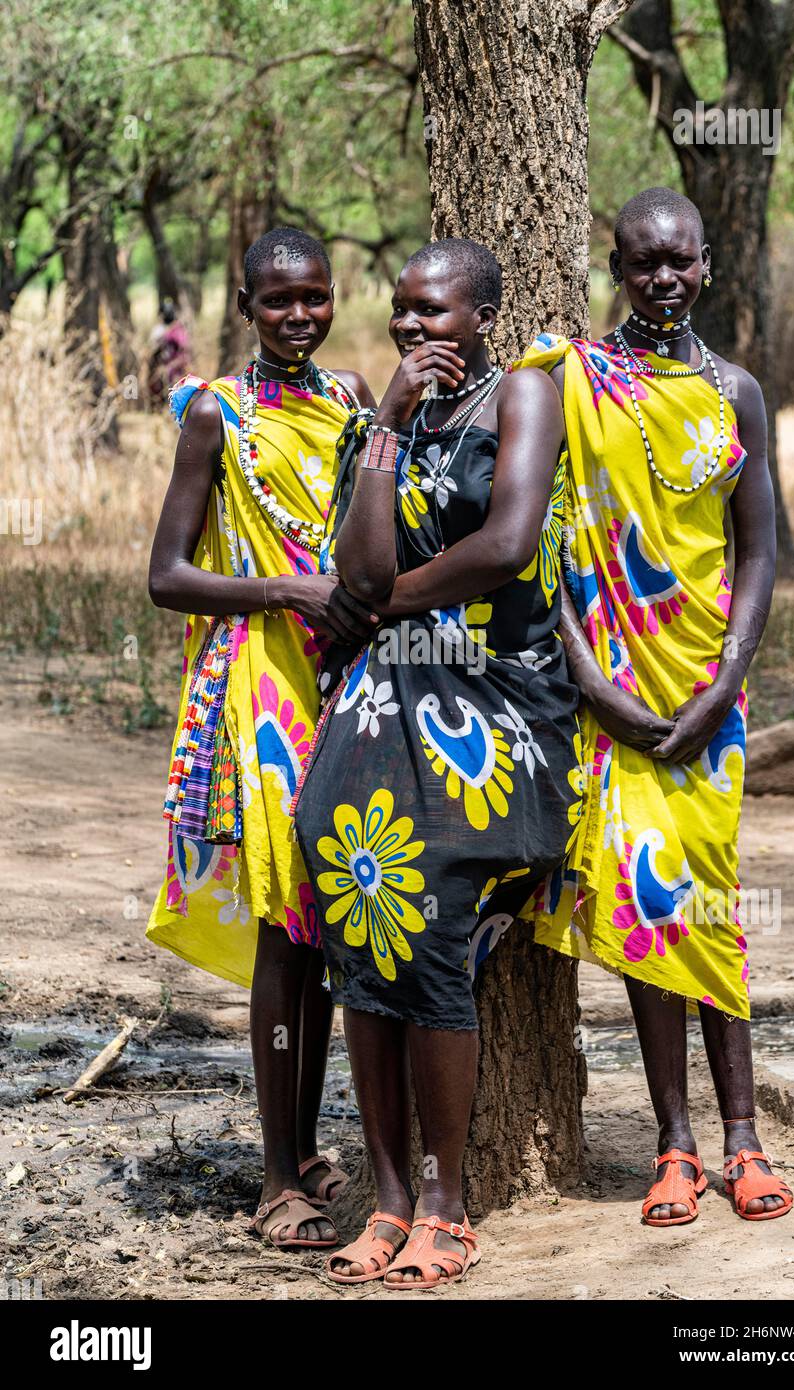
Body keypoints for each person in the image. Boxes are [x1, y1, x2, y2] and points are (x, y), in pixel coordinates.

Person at [291, 238, 582, 1287]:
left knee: (422, 885)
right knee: (343, 851)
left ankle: (447, 1196)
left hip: (501, 693)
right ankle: (387, 1194)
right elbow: (355, 567)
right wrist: (385, 428)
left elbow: (506, 545)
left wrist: (387, 604)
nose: (415, 330)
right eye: (404, 313)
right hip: (392, 684)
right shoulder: (383, 427)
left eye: (437, 313)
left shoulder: (527, 398)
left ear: (485, 317)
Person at [515, 187, 793, 1225]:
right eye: (643, 264)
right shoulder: (570, 380)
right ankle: (676, 1143)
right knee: (645, 904)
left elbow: (760, 550)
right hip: (606, 693)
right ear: (617, 268)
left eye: (680, 262)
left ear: (707, 264)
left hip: (709, 696)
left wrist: (726, 675)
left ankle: (745, 1135)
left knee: (710, 903)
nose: (663, 279)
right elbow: (537, 545)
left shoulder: (737, 393)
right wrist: (590, 682)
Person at [147, 227, 378, 1250]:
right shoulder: (214, 412)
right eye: (277, 300)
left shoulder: (350, 402)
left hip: (342, 678)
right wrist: (285, 587)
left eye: (314, 297)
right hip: (259, 684)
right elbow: (166, 575)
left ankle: (308, 1140)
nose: (298, 315)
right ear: (246, 305)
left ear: (334, 299)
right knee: (286, 924)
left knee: (326, 914)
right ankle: (277, 1174)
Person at [148, 298, 192, 407]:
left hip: (176, 366)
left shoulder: (178, 329)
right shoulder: (158, 330)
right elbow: (152, 350)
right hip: (163, 366)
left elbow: (184, 349)